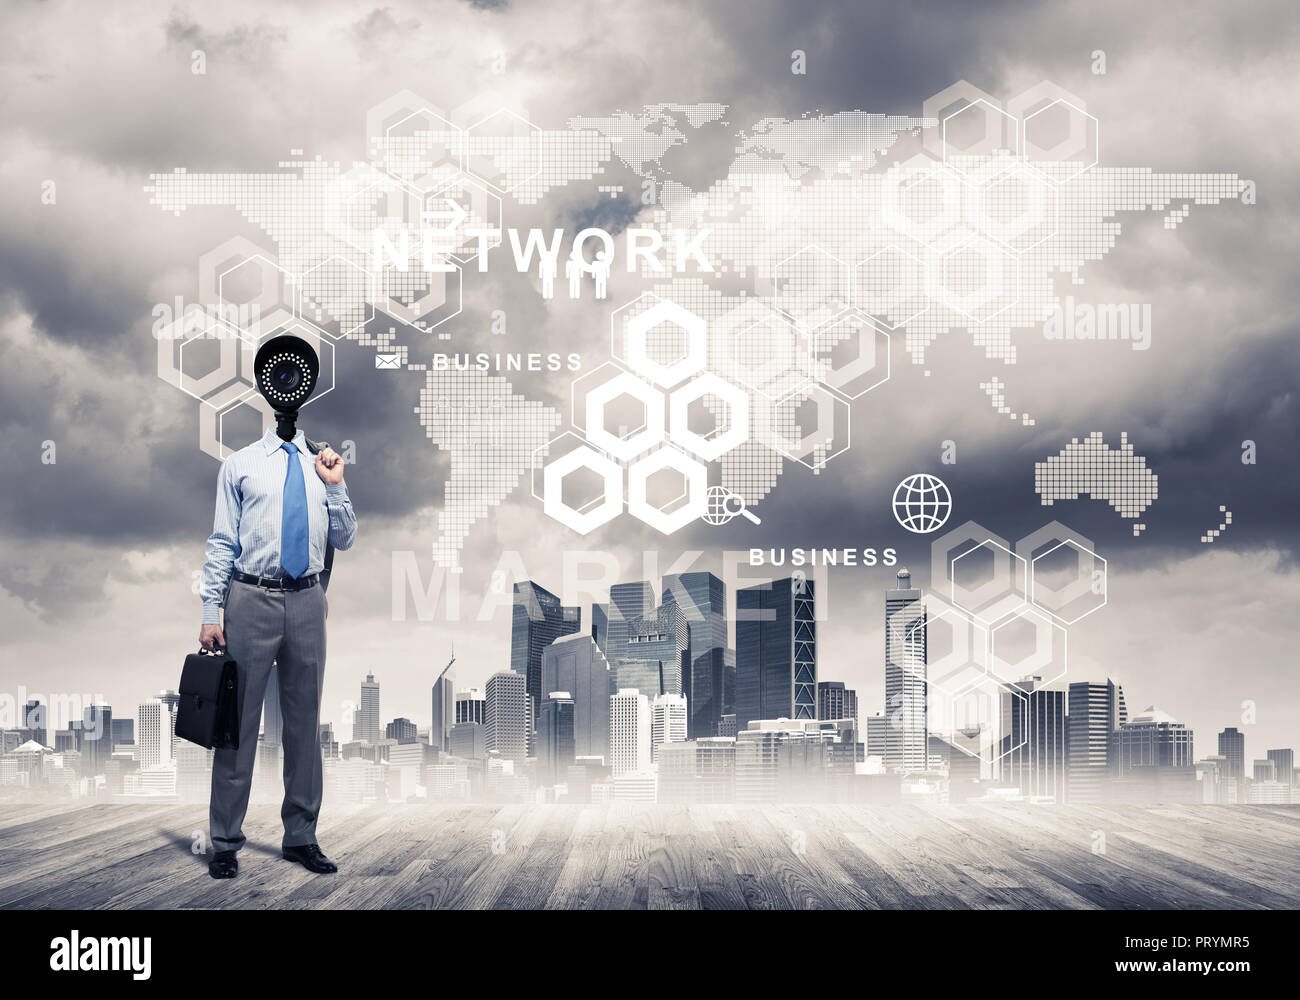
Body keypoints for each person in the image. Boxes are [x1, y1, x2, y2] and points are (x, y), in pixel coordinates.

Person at [197, 426, 356, 880]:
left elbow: (345, 539)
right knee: (236, 725)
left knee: (304, 724)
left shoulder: (323, 464)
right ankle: (225, 842)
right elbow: (223, 541)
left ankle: (301, 838)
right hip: (249, 598)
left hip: (308, 598)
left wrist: (337, 486)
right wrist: (212, 610)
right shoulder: (240, 464)